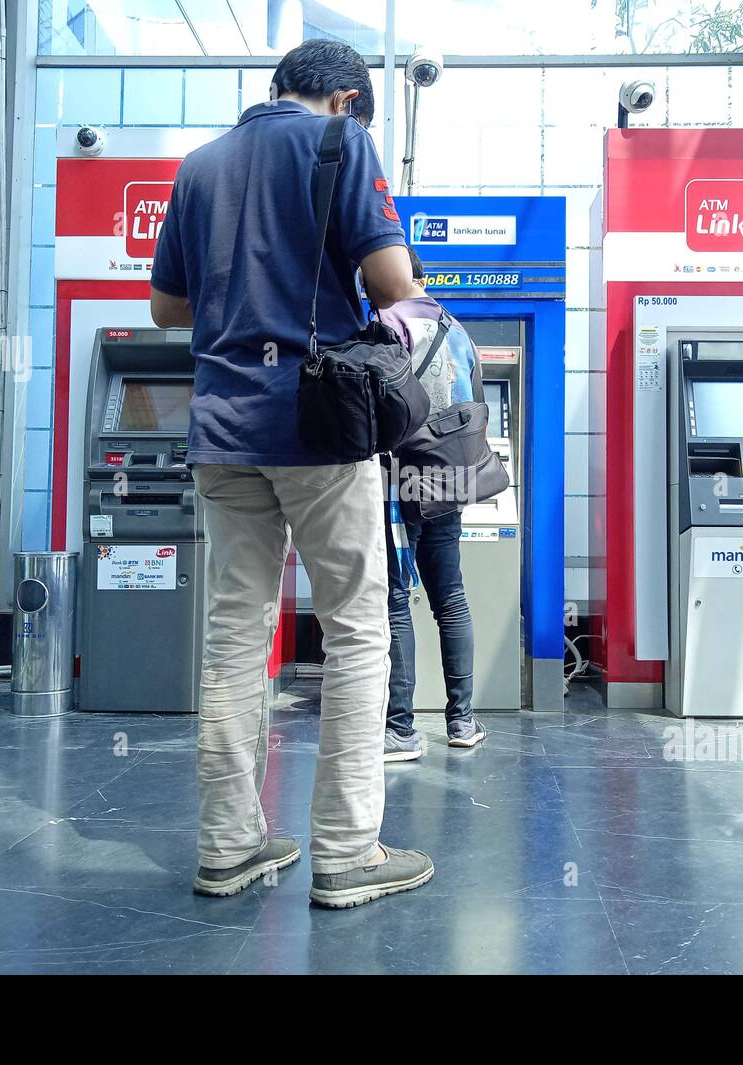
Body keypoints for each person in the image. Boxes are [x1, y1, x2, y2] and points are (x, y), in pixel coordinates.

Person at [149, 39, 434, 909]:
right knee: (355, 627)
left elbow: (165, 306)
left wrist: (244, 295)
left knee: (235, 633)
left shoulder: (198, 166)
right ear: (348, 97)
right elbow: (394, 282)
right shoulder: (340, 146)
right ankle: (348, 852)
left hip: (223, 427)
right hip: (319, 425)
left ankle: (229, 844)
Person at [377, 248, 487, 762]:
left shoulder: (385, 323)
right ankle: (462, 721)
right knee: (451, 598)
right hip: (449, 480)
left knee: (397, 600)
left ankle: (400, 730)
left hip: (400, 482)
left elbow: (376, 407)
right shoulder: (458, 331)